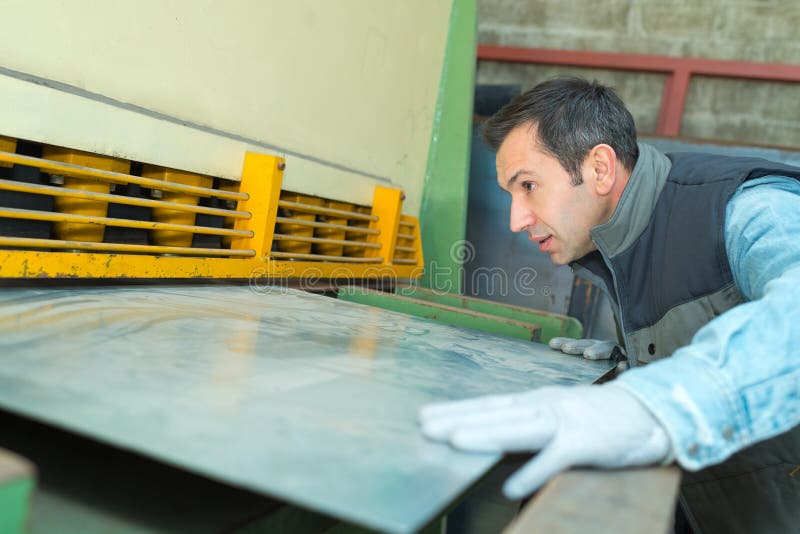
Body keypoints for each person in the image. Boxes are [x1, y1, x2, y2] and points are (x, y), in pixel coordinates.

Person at [419, 76, 800, 534]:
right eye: (510, 194)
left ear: (600, 168)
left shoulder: (749, 209)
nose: (517, 219)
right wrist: (636, 362)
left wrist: (651, 406)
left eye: (529, 186)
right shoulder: (619, 240)